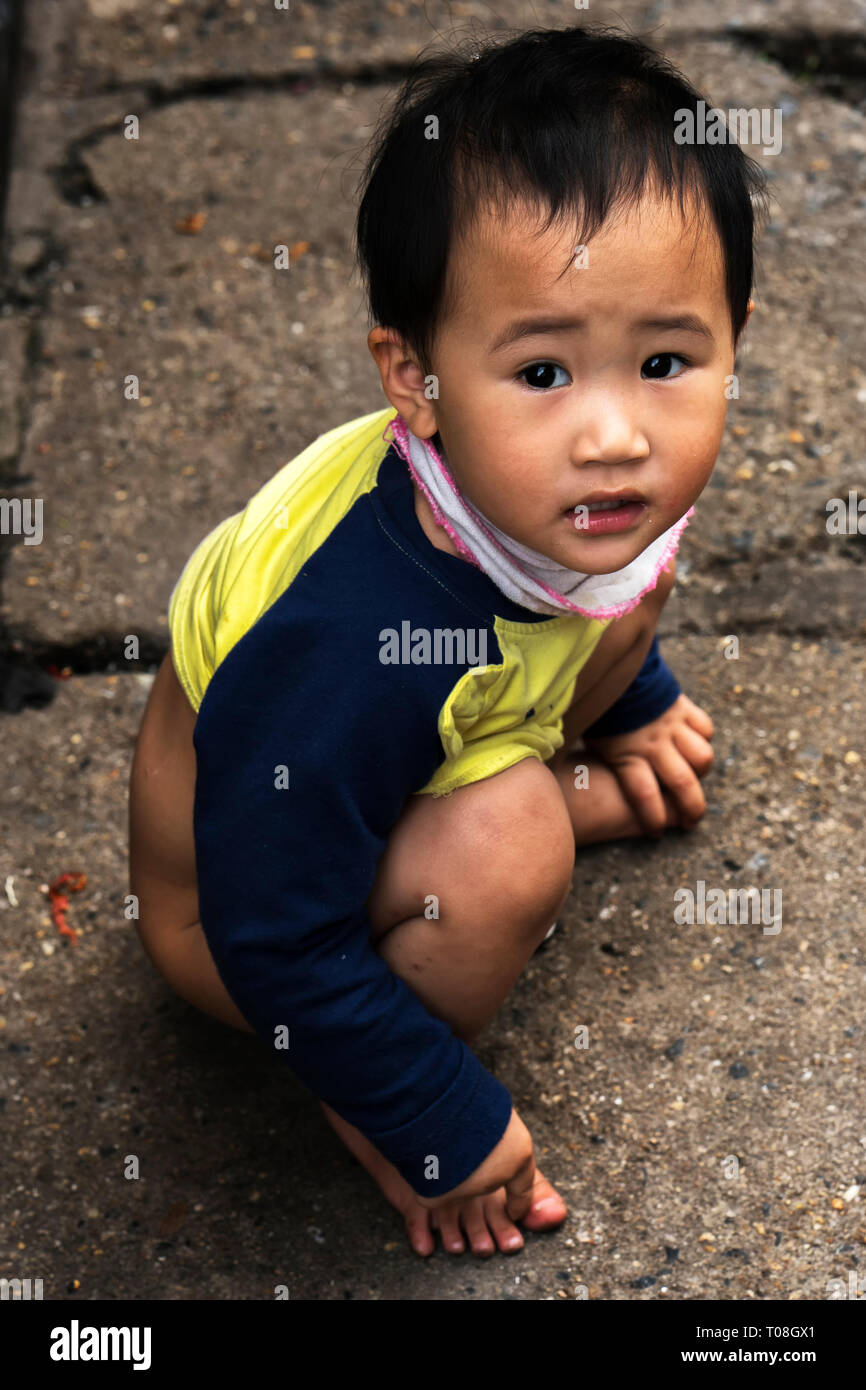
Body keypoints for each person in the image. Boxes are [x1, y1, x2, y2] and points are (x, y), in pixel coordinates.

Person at [128, 23, 767, 1257]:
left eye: (663, 360)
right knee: (508, 854)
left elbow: (580, 607)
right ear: (412, 378)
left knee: (622, 589)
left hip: (403, 753)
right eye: (539, 372)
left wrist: (632, 694)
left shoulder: (572, 505)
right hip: (238, 909)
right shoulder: (357, 636)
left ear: (730, 337)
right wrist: (429, 1112)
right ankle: (362, 1073)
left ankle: (563, 767)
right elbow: (266, 925)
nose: (614, 433)